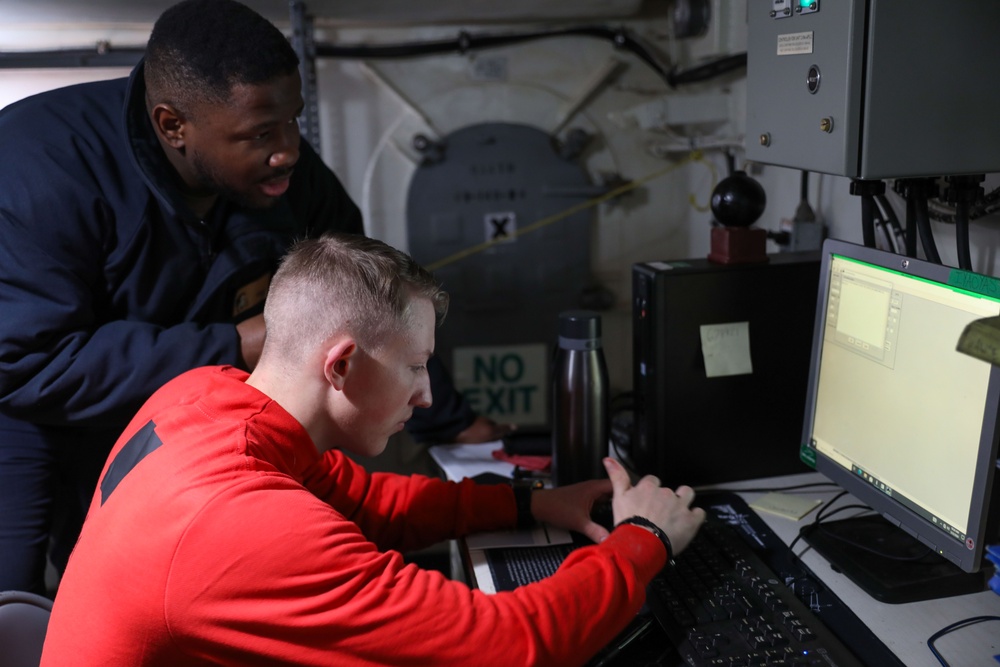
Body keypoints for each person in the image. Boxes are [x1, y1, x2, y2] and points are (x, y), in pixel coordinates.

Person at [0, 0, 508, 597]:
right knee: (18, 601)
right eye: (261, 134)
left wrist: (454, 421)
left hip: (193, 418)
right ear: (173, 126)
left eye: (293, 121)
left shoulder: (283, 171)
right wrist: (235, 344)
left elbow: (377, 305)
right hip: (43, 420)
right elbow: (28, 361)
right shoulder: (40, 165)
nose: (288, 149)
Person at [39, 233, 705, 666]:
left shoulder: (202, 397)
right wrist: (645, 538)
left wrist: (531, 501)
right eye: (415, 366)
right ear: (342, 364)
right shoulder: (240, 523)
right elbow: (511, 645)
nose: (424, 395)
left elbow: (363, 499)